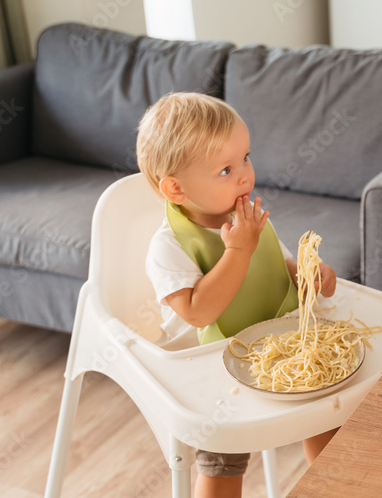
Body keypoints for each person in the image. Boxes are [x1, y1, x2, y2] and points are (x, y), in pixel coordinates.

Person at [137, 92, 338, 498]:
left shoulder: (247, 219)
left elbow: (282, 269)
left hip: (277, 347)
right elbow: (196, 312)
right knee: (222, 459)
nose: (245, 175)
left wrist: (314, 276)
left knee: (326, 420)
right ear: (176, 189)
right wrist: (237, 250)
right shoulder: (169, 247)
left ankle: (334, 484)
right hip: (210, 369)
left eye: (245, 157)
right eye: (225, 170)